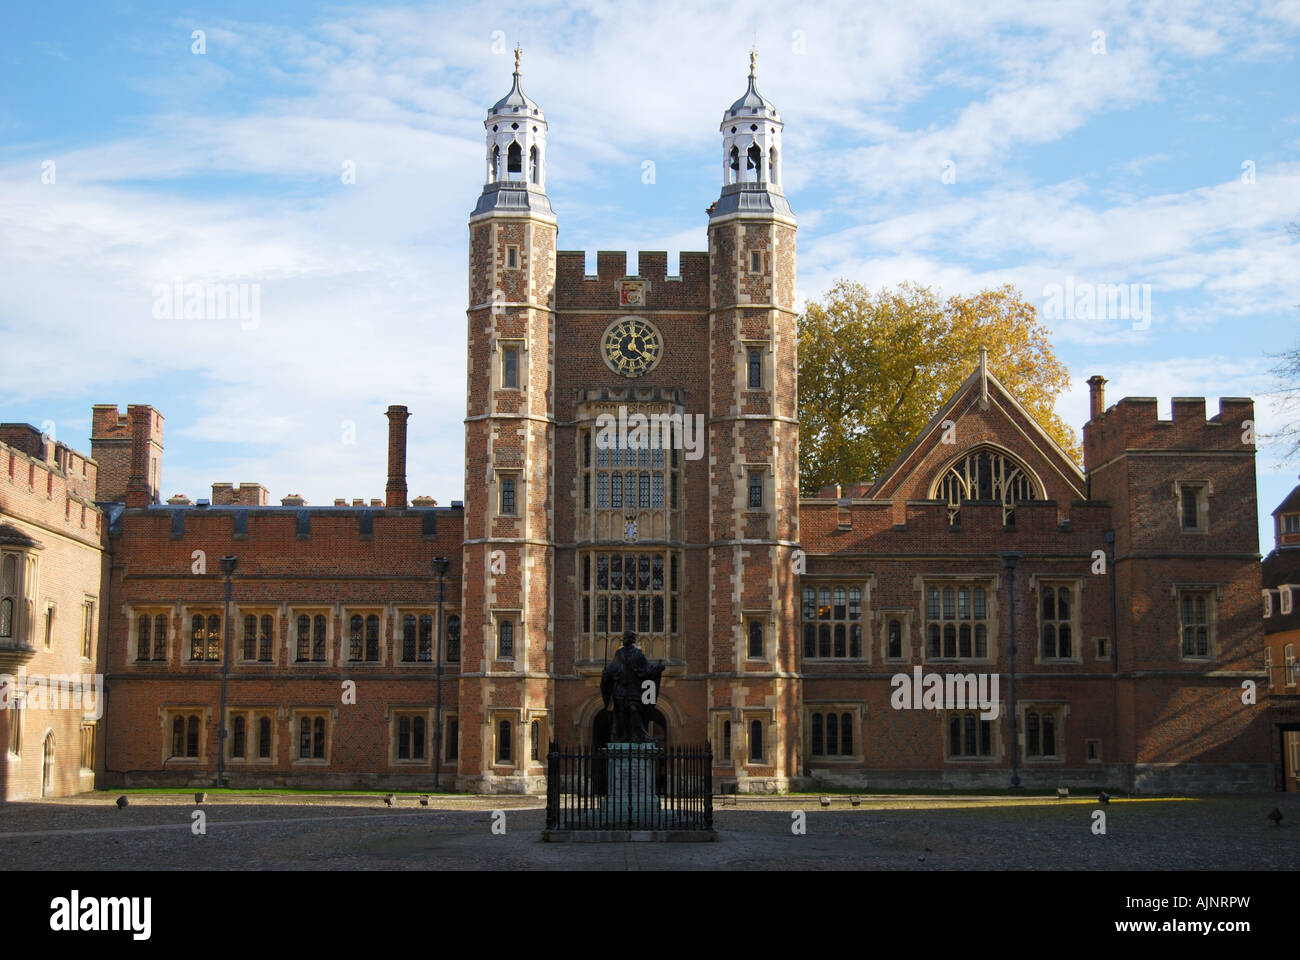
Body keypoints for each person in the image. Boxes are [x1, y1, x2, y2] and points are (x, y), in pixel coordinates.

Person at [600, 630, 665, 742]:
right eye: (624, 638)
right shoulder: (619, 653)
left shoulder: (638, 653)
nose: (624, 640)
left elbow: (646, 669)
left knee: (634, 710)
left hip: (633, 688)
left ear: (631, 640)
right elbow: (613, 667)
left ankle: (640, 736)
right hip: (620, 689)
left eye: (626, 638)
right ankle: (622, 737)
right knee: (621, 713)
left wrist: (658, 668)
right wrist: (606, 674)